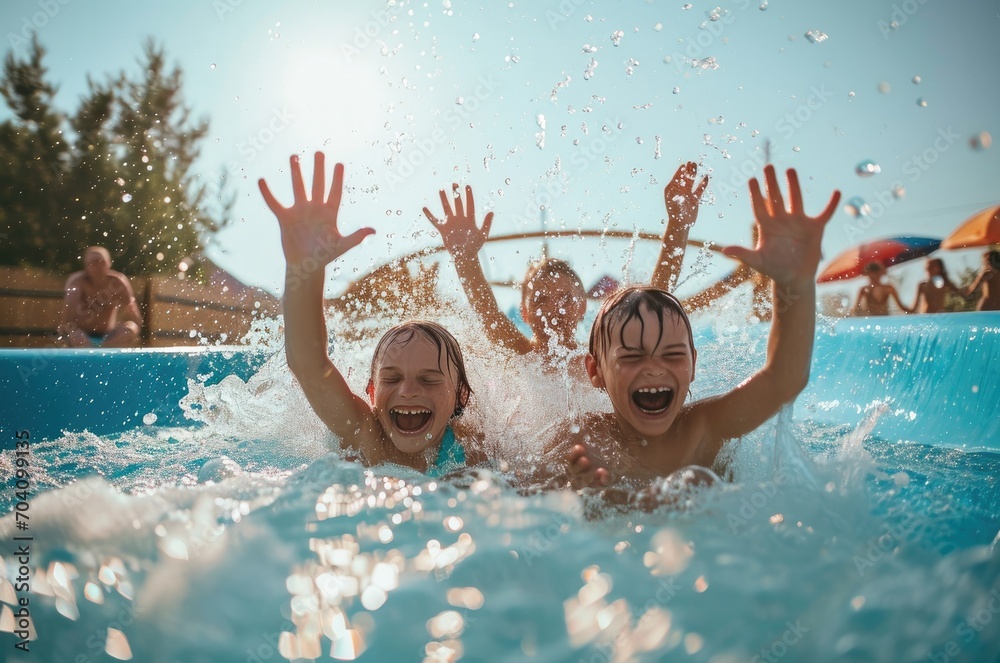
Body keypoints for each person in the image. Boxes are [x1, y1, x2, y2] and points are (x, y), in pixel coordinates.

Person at [528, 165, 840, 491]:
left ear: (693, 363)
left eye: (672, 355)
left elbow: (783, 381)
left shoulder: (706, 426)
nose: (654, 370)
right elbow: (522, 494)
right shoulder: (582, 439)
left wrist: (795, 285)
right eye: (633, 358)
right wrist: (567, 486)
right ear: (596, 371)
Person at [259, 152, 488, 473]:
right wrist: (304, 269)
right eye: (391, 378)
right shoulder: (366, 435)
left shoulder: (472, 449)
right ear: (371, 392)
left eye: (429, 379)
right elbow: (309, 367)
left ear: (460, 395)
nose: (408, 391)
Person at [420, 162, 708, 373]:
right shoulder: (521, 354)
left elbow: (652, 304)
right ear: (525, 313)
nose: (554, 308)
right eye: (540, 299)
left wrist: (677, 226)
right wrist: (465, 257)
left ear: (583, 306)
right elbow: (487, 312)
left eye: (566, 298)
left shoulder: (600, 357)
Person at [59, 246, 142, 347]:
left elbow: (135, 318)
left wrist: (130, 314)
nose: (98, 265)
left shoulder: (118, 282)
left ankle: (100, 351)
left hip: (108, 337)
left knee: (131, 329)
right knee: (74, 334)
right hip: (83, 336)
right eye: (93, 262)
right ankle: (95, 351)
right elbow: (67, 322)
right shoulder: (77, 282)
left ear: (109, 263)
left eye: (101, 261)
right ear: (86, 266)